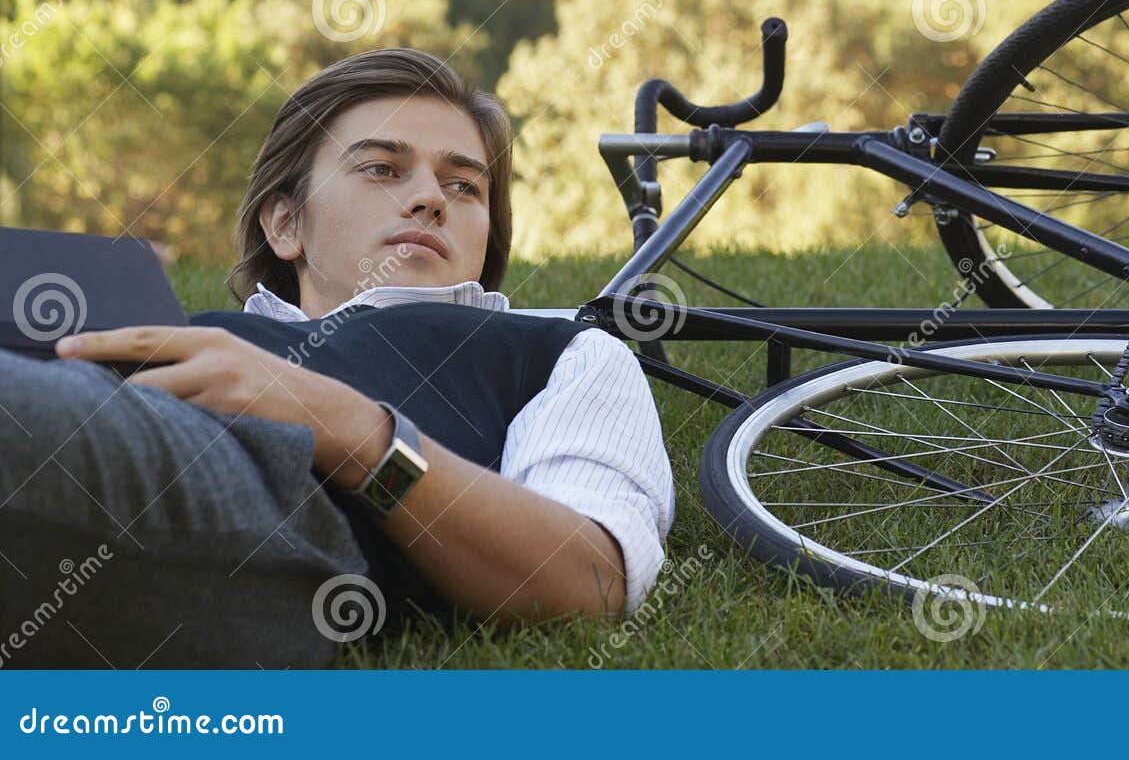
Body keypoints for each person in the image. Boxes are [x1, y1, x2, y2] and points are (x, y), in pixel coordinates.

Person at [0, 48, 673, 668]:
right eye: (383, 167)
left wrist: (353, 430)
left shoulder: (559, 351)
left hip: (277, 512)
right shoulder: (209, 330)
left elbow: (589, 578)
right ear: (285, 222)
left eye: (465, 186)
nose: (432, 197)